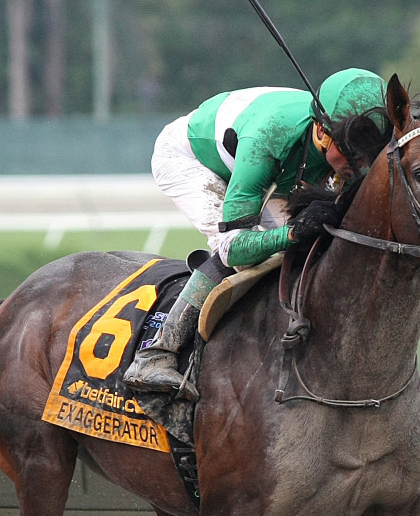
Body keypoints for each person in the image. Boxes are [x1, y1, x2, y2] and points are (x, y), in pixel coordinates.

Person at [124, 68, 390, 400]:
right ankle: (156, 354)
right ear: (322, 131)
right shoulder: (269, 136)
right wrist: (292, 233)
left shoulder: (336, 147)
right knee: (247, 250)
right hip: (193, 159)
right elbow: (235, 247)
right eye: (354, 153)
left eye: (371, 155)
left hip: (279, 170)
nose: (362, 166)